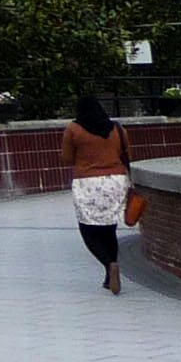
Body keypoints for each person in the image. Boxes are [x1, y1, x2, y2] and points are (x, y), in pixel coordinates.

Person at [61, 94, 132, 293]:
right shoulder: (117, 128)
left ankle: (109, 265)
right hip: (115, 181)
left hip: (87, 182)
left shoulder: (73, 129)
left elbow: (67, 158)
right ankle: (110, 276)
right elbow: (126, 153)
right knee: (109, 229)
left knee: (88, 229)